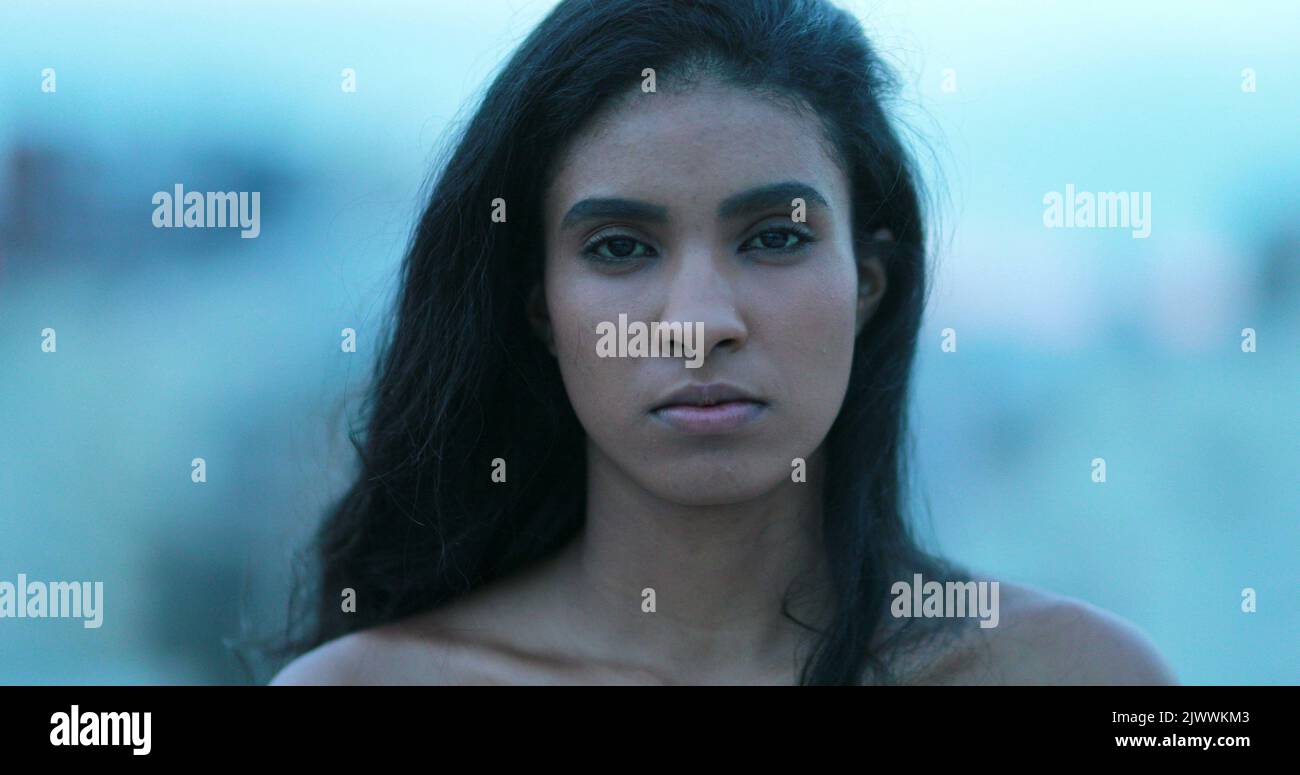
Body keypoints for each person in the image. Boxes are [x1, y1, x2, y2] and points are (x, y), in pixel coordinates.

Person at [271, 0, 1177, 685]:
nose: (702, 322)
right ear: (540, 306)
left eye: (775, 237)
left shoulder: (1078, 674)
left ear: (870, 281)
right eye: (620, 247)